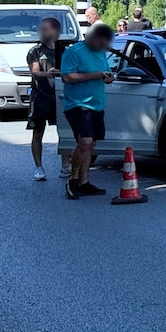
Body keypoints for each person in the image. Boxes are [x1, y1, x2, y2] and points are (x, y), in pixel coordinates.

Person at [60, 24, 115, 200]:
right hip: (78, 104)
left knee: (91, 144)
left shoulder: (101, 52)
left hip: (97, 104)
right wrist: (95, 75)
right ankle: (72, 179)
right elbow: (66, 77)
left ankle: (84, 181)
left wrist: (108, 77)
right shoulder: (74, 52)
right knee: (85, 141)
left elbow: (108, 75)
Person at [27, 18, 71, 181]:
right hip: (40, 96)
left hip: (61, 95)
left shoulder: (66, 50)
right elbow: (34, 72)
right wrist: (48, 73)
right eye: (41, 29)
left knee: (64, 131)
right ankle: (38, 167)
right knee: (38, 131)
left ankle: (65, 165)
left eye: (45, 29)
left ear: (56, 31)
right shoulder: (35, 51)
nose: (42, 32)